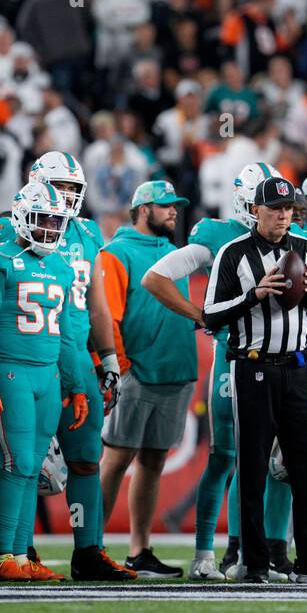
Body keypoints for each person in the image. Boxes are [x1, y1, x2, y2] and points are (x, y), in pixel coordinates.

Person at [142, 161, 296, 580]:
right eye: (261, 203)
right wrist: (203, 315)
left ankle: (255, 555)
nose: (273, 211)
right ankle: (205, 555)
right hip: (235, 359)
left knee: (268, 461)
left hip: (280, 360)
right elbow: (156, 277)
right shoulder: (218, 236)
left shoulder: (292, 239)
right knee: (225, 455)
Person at [202, 175, 307, 583]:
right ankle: (253, 562)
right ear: (255, 210)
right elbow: (210, 315)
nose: (283, 217)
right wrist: (255, 295)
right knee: (253, 465)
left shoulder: (306, 249)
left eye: (289, 210)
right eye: (275, 210)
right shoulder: (234, 253)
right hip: (253, 366)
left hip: (298, 368)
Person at [0, 182, 89, 581]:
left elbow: (68, 334)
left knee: (33, 466)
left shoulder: (60, 266)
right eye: (43, 219)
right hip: (11, 372)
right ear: (20, 216)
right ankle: (3, 554)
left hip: (49, 376)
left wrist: (76, 385)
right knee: (15, 462)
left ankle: (21, 554)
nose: (51, 229)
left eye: (57, 221)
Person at [97, 181, 198, 578]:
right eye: (165, 206)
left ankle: (139, 549)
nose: (173, 211)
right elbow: (107, 317)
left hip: (174, 370)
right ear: (141, 209)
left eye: (176, 205)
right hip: (136, 371)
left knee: (153, 460)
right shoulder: (115, 253)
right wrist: (119, 367)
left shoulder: (175, 254)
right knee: (116, 459)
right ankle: (92, 546)